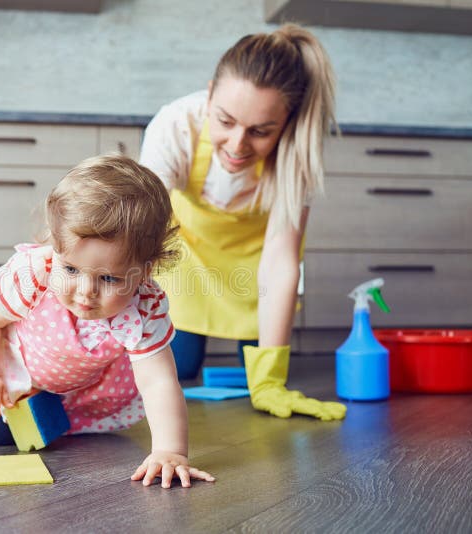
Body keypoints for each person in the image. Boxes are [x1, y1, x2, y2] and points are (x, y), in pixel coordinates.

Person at [0, 155, 215, 489]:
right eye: (71, 270)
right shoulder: (33, 274)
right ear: (54, 245)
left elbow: (159, 382)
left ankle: (50, 398)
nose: (85, 293)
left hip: (71, 372)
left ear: (144, 271)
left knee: (57, 426)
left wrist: (171, 451)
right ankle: (22, 391)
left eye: (108, 278)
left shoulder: (143, 309)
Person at [139, 24, 346, 421]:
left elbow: (281, 259)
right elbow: (143, 230)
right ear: (211, 90)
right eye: (226, 121)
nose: (237, 145)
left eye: (260, 131)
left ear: (286, 121)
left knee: (258, 376)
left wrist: (271, 380)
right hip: (186, 254)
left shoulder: (297, 150)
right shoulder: (175, 125)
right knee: (176, 366)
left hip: (255, 266)